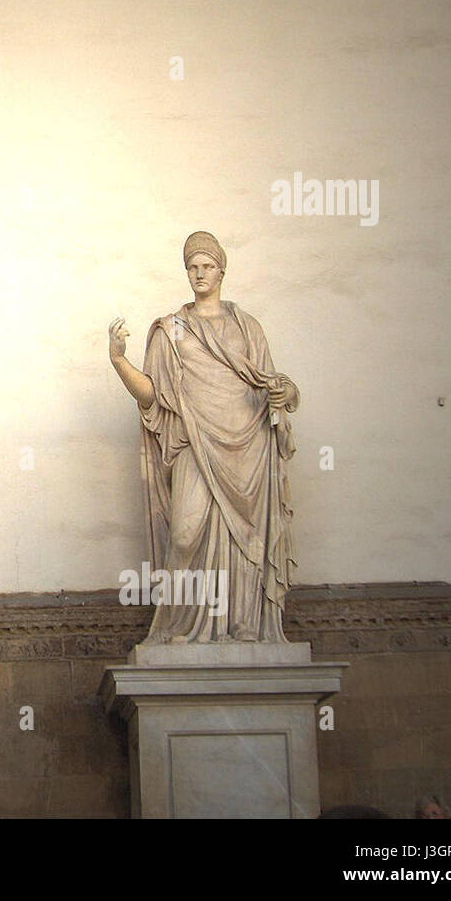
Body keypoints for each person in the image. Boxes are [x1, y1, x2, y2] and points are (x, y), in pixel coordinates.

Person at [108, 231, 299, 642]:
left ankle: (244, 624)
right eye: (192, 266)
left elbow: (271, 384)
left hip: (247, 448)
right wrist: (118, 360)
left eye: (207, 266)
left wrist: (286, 393)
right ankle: (181, 624)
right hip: (194, 443)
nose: (199, 274)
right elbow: (153, 395)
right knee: (185, 533)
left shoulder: (247, 328)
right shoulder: (171, 330)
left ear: (221, 271)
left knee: (245, 535)